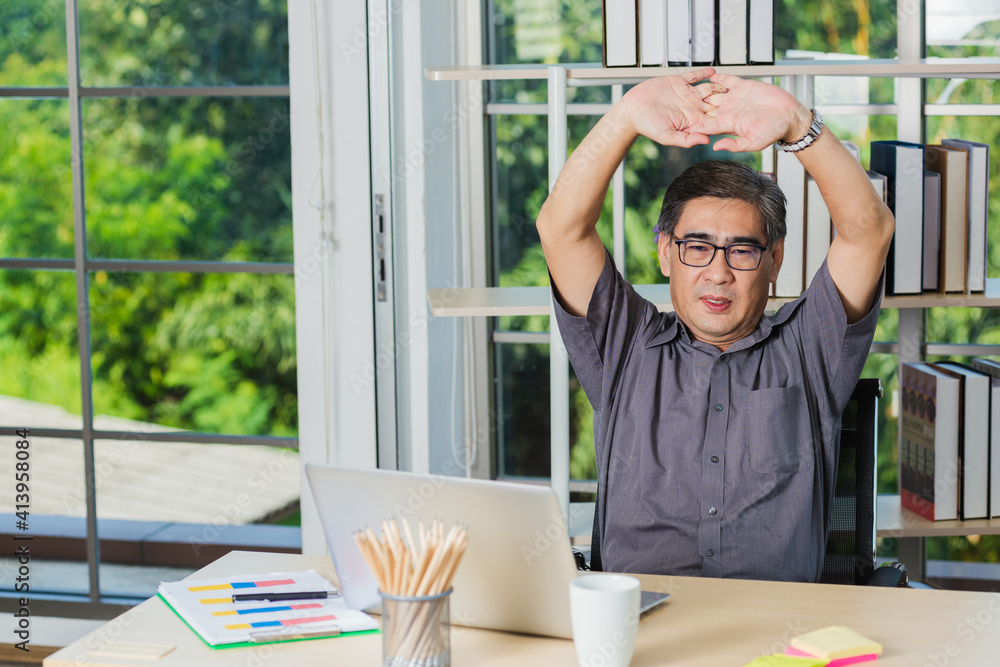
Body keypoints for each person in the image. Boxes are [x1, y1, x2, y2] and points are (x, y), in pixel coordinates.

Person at [536, 68, 894, 582]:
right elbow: (560, 228)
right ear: (666, 252)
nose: (718, 273)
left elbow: (869, 230)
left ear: (775, 261)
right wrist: (626, 116)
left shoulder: (809, 349)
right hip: (642, 629)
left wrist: (797, 124)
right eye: (697, 247)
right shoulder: (625, 347)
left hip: (772, 639)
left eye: (743, 250)